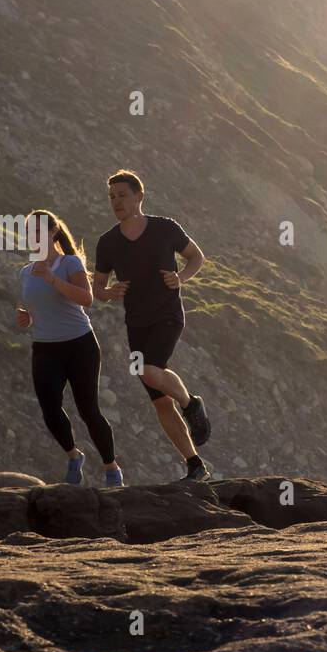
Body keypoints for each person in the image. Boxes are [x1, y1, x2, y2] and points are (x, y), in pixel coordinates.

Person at [91, 170, 212, 482]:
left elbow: (196, 257)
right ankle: (195, 465)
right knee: (159, 401)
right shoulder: (107, 243)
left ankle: (191, 403)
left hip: (168, 315)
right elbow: (97, 289)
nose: (116, 202)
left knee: (148, 370)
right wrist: (109, 293)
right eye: (112, 197)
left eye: (122, 195)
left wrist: (180, 278)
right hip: (136, 324)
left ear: (139, 196)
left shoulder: (164, 228)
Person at [16, 210, 123, 487]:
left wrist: (52, 279)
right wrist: (28, 317)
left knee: (88, 410)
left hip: (79, 344)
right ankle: (74, 456)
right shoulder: (26, 271)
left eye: (38, 231)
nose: (33, 237)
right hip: (44, 347)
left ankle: (111, 468)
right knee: (49, 409)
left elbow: (86, 299)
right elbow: (40, 305)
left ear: (52, 232)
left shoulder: (69, 263)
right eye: (29, 232)